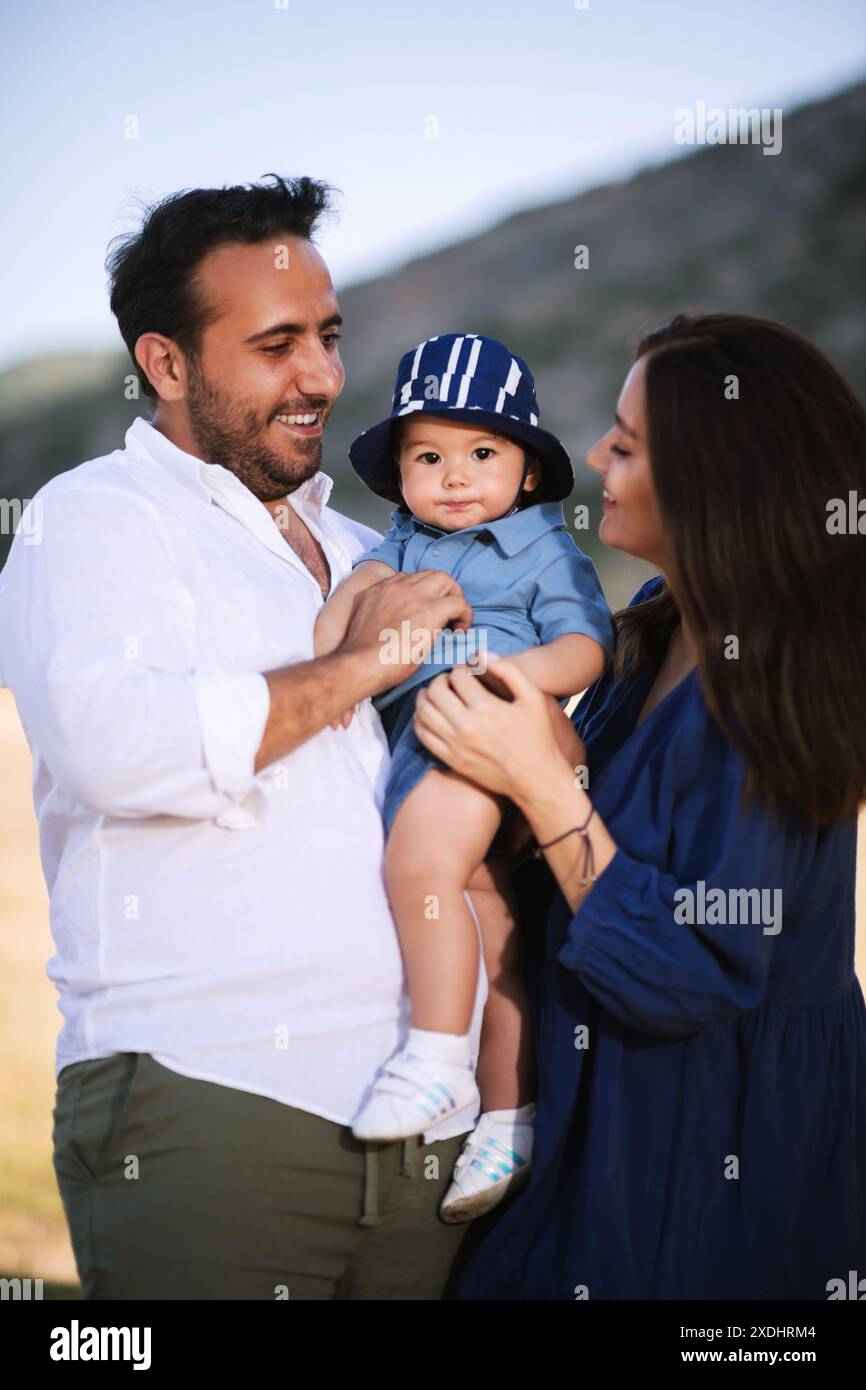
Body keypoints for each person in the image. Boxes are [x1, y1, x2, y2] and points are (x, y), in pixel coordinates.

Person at [0, 174, 497, 1300]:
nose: (320, 375)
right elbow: (118, 748)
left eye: (326, 335)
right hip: (207, 1106)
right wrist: (360, 666)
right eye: (276, 344)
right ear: (166, 363)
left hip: (431, 1121)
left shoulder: (381, 541)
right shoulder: (91, 520)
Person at [411, 313, 866, 1299]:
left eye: (625, 443)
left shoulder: (774, 686)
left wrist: (537, 781)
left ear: (712, 476)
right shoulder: (649, 636)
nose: (593, 456)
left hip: (704, 1164)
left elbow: (692, 973)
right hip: (595, 1127)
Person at [313, 333, 613, 1222]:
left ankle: (436, 1060)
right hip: (433, 738)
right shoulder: (401, 543)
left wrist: (510, 688)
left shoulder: (540, 547)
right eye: (429, 457)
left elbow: (584, 646)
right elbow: (346, 604)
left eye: (482, 453)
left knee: (418, 868)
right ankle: (509, 1113)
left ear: (526, 471)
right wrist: (336, 664)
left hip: (489, 725)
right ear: (400, 475)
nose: (454, 476)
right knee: (491, 920)